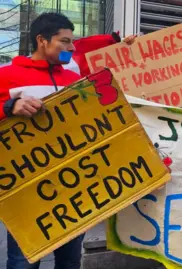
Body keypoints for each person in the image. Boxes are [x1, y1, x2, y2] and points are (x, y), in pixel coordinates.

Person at [0, 13, 83, 269]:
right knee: (24, 261)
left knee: (70, 261)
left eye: (72, 42)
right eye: (65, 41)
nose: (71, 48)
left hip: (75, 188)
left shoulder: (75, 82)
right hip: (27, 191)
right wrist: (9, 106)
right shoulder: (7, 75)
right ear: (42, 41)